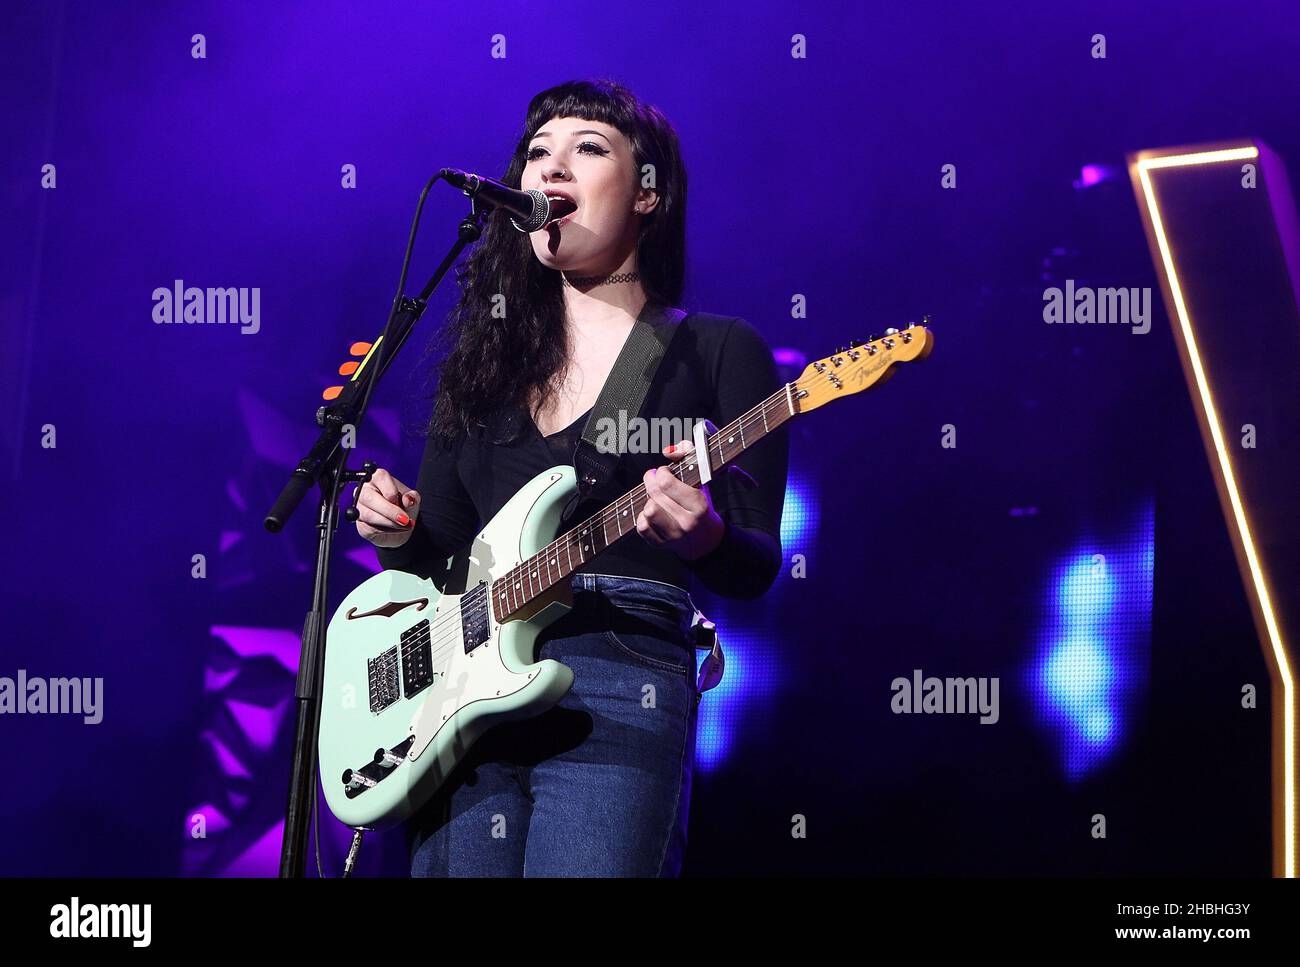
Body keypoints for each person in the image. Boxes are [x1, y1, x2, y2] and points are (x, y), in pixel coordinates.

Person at [354, 78, 789, 876]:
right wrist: (399, 529)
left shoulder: (719, 351)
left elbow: (756, 563)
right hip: (465, 698)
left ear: (649, 195)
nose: (551, 169)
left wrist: (706, 536)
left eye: (588, 149)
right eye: (536, 153)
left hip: (622, 676)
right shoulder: (479, 370)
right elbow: (439, 562)